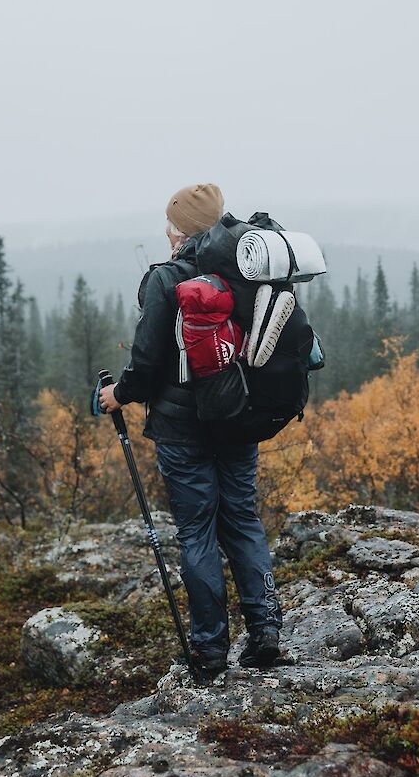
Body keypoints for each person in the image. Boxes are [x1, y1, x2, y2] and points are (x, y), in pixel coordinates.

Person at [99, 183, 282, 680]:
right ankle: (265, 629)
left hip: (183, 429)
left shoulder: (167, 278)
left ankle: (210, 649)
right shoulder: (249, 266)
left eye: (170, 224)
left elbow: (146, 360)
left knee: (198, 531)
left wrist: (120, 394)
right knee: (242, 518)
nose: (166, 231)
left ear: (180, 230)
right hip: (240, 417)